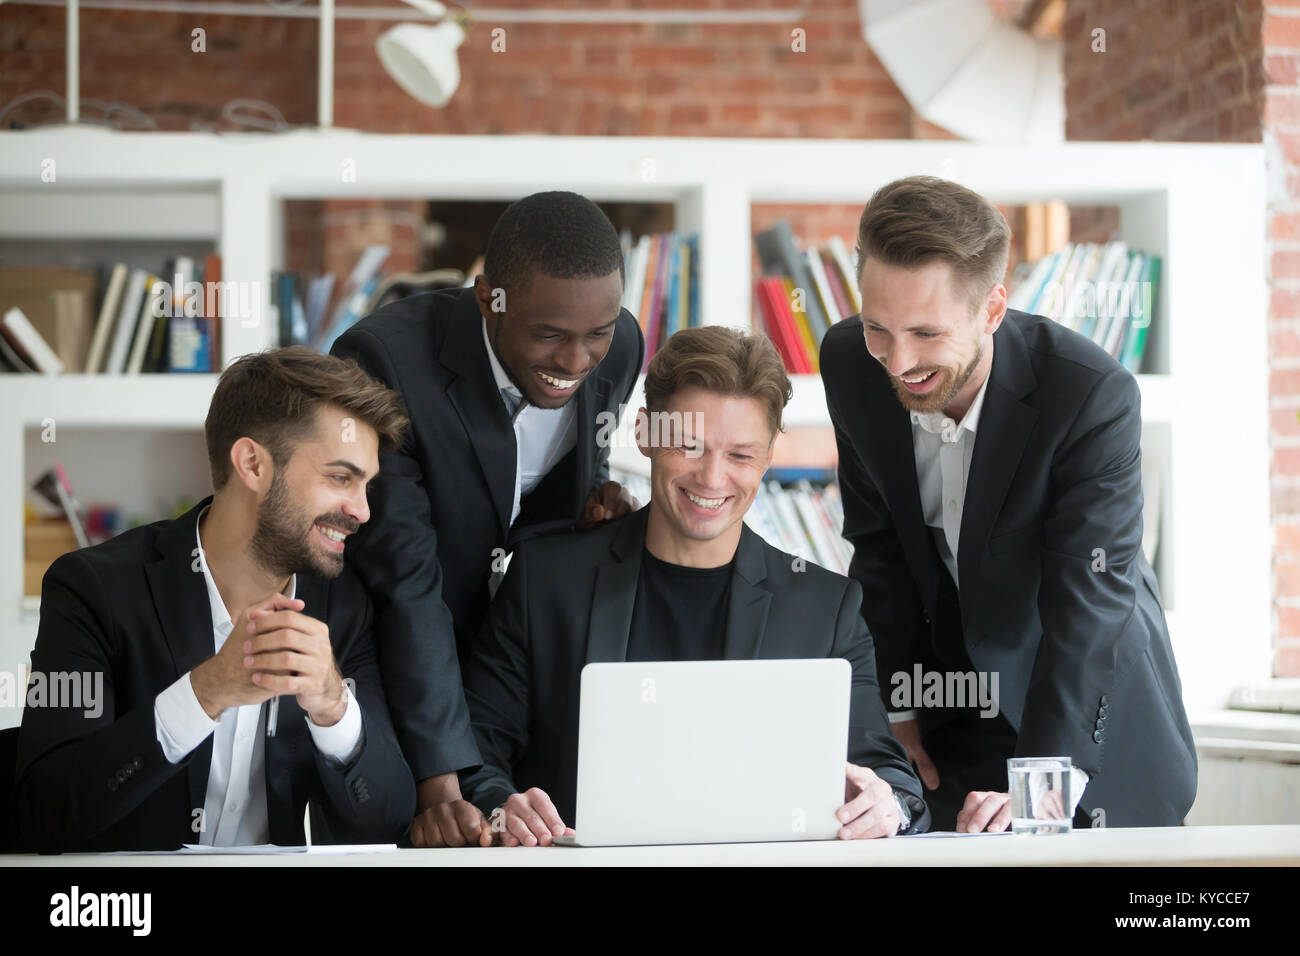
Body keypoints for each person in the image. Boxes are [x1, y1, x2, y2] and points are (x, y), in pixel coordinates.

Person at [450, 326, 928, 846]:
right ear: (645, 433)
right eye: (689, 445)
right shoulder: (545, 581)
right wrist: (502, 806)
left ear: (768, 456)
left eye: (741, 455)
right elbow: (474, 751)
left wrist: (890, 807)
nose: (712, 477)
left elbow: (889, 777)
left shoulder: (826, 609)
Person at [819, 175, 1196, 831]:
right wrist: (898, 713)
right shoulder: (851, 361)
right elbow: (879, 550)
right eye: (879, 326)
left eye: (926, 334)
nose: (897, 361)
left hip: (1090, 720)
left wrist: (1044, 778)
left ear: (993, 310)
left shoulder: (1088, 396)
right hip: (953, 715)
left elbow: (1089, 601)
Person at [331, 191, 644, 847]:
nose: (576, 362)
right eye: (550, 335)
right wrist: (440, 783)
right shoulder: (386, 362)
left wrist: (597, 501)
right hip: (399, 665)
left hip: (516, 667)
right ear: (488, 298)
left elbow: (562, 480)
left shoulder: (619, 349)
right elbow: (404, 578)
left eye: (597, 332)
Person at [13, 348, 416, 851]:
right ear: (251, 464)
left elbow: (392, 821)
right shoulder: (94, 589)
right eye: (340, 478)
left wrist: (335, 707)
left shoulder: (344, 607)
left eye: (366, 485)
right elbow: (42, 811)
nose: (361, 510)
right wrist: (205, 693)